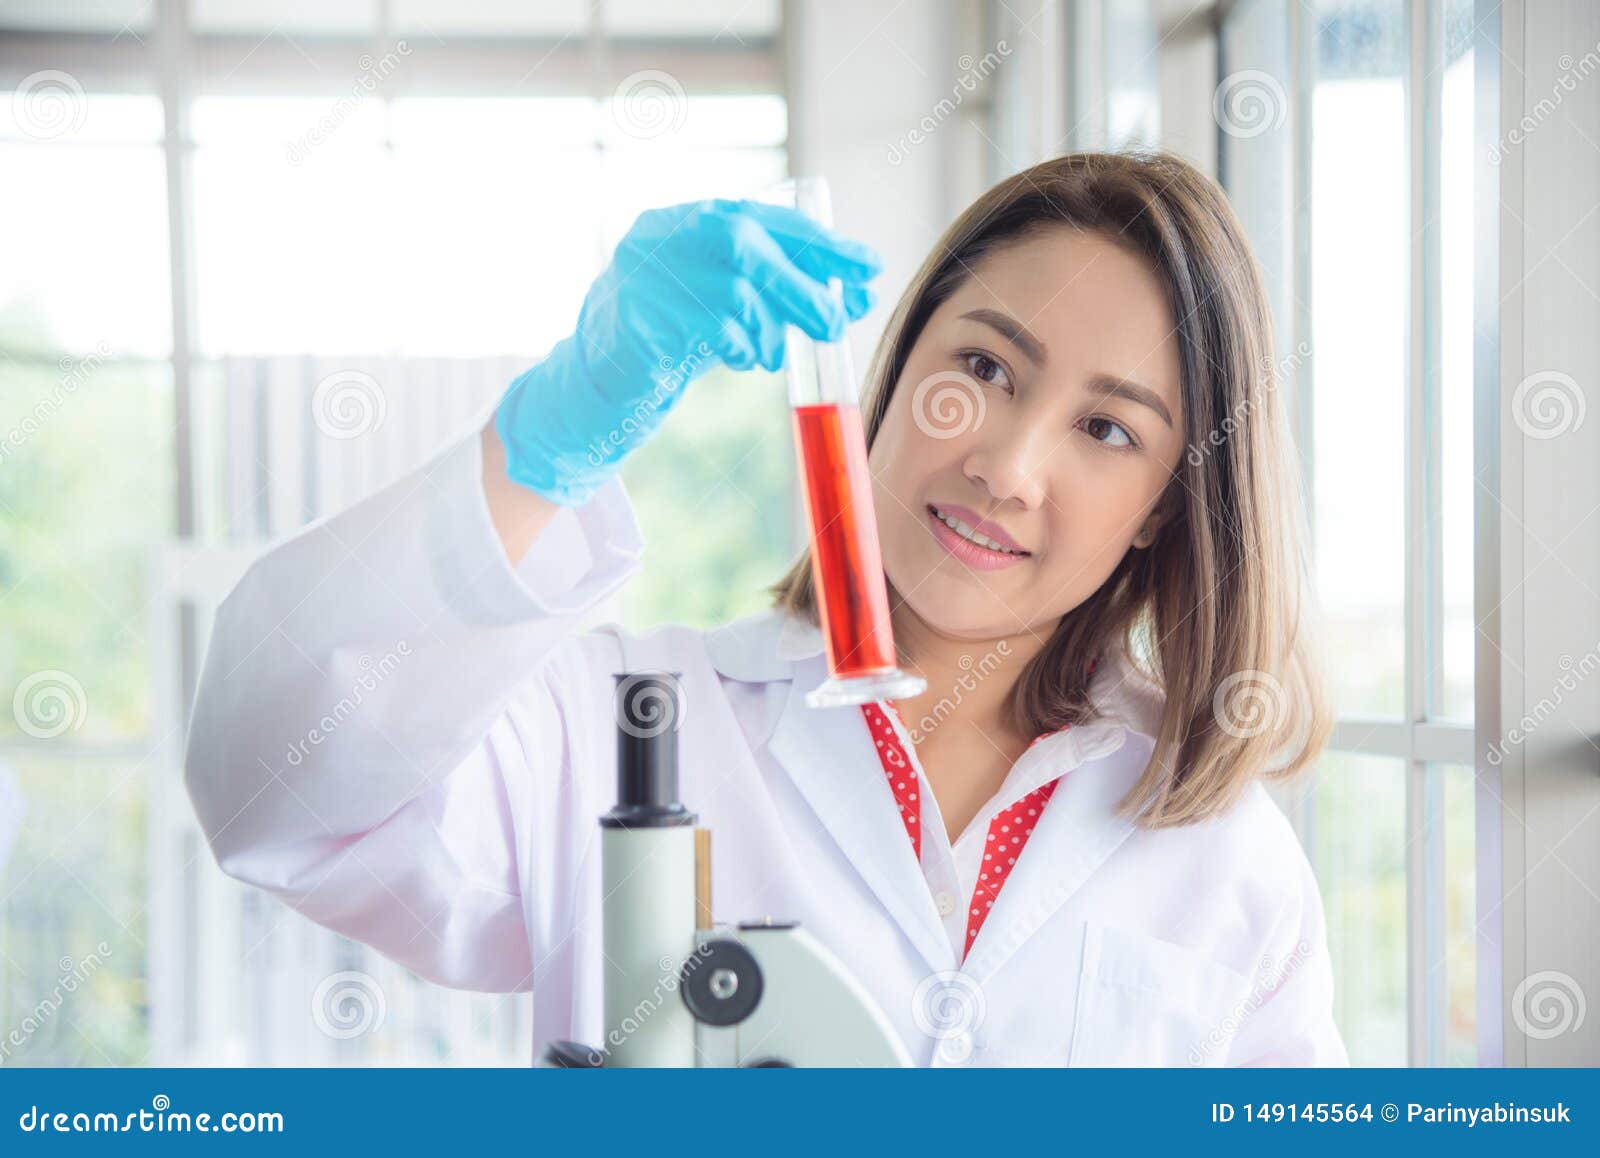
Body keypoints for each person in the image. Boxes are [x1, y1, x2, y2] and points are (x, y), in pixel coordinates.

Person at [184, 151, 1347, 1067]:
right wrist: (545, 444)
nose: (1006, 466)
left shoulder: (1225, 856)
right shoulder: (619, 724)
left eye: (1107, 429)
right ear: (890, 375)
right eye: (985, 369)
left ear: (1161, 506)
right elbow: (270, 786)